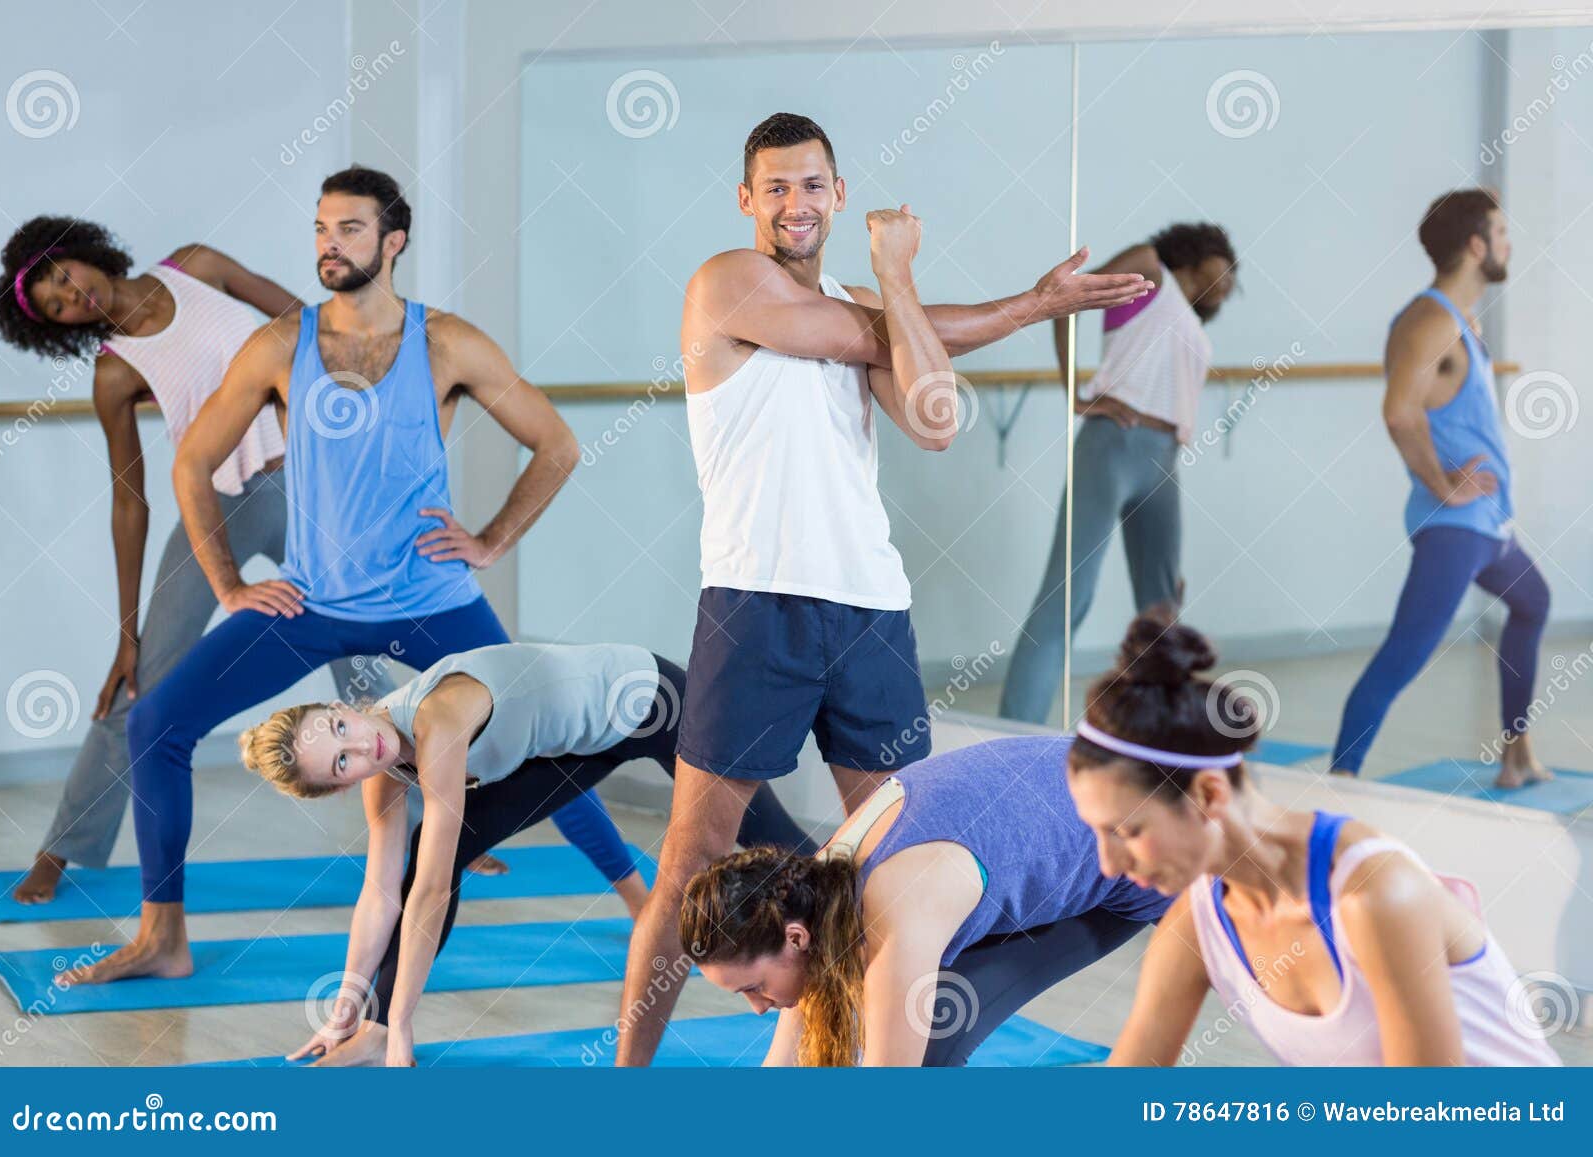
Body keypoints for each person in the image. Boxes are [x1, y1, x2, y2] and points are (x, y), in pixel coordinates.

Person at [616, 111, 1153, 1065]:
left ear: (840, 195)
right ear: (747, 200)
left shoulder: (872, 305)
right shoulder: (727, 283)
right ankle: (630, 1084)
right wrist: (921, 294)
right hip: (757, 605)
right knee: (691, 862)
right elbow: (880, 333)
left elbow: (930, 414)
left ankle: (880, 1068)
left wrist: (1032, 302)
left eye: (813, 184)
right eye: (776, 186)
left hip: (871, 613)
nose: (795, 202)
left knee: (904, 857)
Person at [57, 165, 601, 985]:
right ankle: (163, 934)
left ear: (393, 242)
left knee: (546, 743)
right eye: (319, 229)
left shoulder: (445, 340)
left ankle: (647, 908)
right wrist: (232, 583)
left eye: (349, 229)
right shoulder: (282, 343)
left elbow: (557, 444)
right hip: (310, 605)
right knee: (154, 725)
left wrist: (488, 540)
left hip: (430, 604)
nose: (329, 245)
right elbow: (195, 463)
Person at [0, 217, 398, 903]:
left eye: (66, 276)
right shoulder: (116, 373)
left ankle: (427, 819)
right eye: (57, 305)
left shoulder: (197, 265)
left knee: (359, 653)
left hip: (307, 484)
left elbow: (303, 322)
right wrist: (128, 633)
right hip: (222, 506)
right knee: (143, 682)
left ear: (83, 255)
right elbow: (131, 505)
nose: (73, 296)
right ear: (57, 328)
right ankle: (61, 848)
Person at [236, 642, 812, 1067]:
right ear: (340, 786)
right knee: (428, 850)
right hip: (580, 743)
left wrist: (409, 1024)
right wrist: (348, 999)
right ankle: (374, 1030)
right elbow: (381, 892)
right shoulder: (382, 770)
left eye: (340, 726)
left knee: (786, 847)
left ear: (340, 705)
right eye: (342, 761)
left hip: (654, 701)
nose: (361, 744)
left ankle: (863, 930)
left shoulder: (436, 720)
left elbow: (432, 889)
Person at [1067, 610, 1561, 1066]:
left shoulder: (1374, 895)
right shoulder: (1196, 927)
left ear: (1209, 794)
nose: (1109, 864)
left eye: (1127, 831)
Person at [680, 734, 1168, 1066]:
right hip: (1088, 799)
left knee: (933, 1043)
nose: (758, 1008)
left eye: (754, 987)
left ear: (795, 937)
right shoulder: (811, 888)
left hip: (1146, 845)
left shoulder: (896, 912)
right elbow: (781, 1065)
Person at [1330, 189, 1550, 787]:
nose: (1509, 243)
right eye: (1501, 232)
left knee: (1533, 601)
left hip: (1486, 525)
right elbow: (1400, 412)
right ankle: (1340, 780)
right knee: (1404, 655)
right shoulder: (1429, 321)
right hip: (1454, 528)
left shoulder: (1462, 321)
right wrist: (1445, 486)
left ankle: (1516, 753)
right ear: (1476, 246)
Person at [1000, 223, 1236, 725]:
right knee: (1066, 599)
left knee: (1163, 608)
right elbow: (1064, 302)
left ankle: (1163, 740)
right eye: (1224, 263)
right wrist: (1075, 394)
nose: (1231, 278)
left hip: (1165, 459)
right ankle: (1013, 735)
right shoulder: (1151, 268)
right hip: (1113, 445)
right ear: (1197, 255)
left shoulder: (1190, 320)